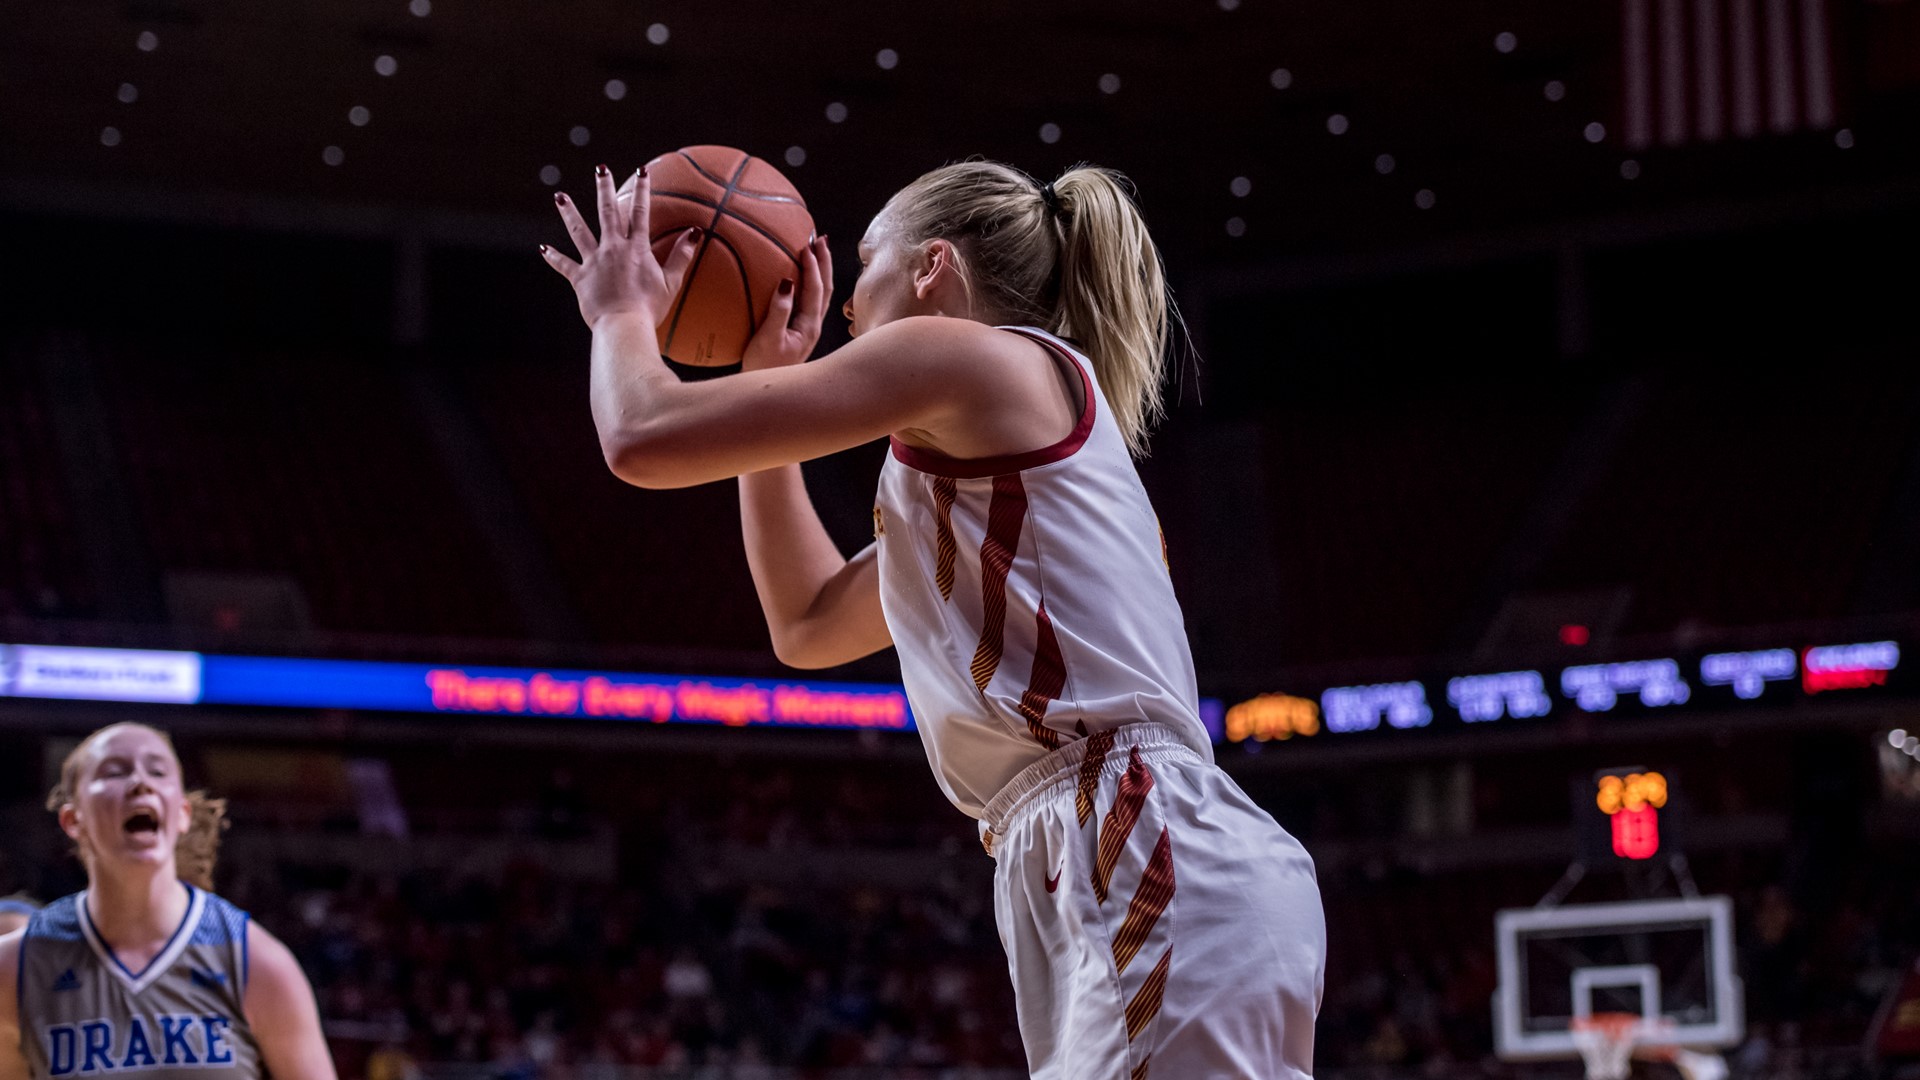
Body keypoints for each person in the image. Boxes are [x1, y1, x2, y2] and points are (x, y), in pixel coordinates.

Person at [542, 159, 1325, 1078]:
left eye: (865, 259)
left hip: (1139, 838)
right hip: (1115, 849)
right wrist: (764, 380)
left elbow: (641, 435)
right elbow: (808, 622)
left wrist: (622, 311)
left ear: (932, 270)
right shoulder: (981, 467)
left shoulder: (970, 356)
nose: (842, 302)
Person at [0, 723, 335, 1080]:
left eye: (158, 771)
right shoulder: (13, 969)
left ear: (183, 814)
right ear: (72, 819)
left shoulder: (257, 962)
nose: (140, 782)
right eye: (114, 772)